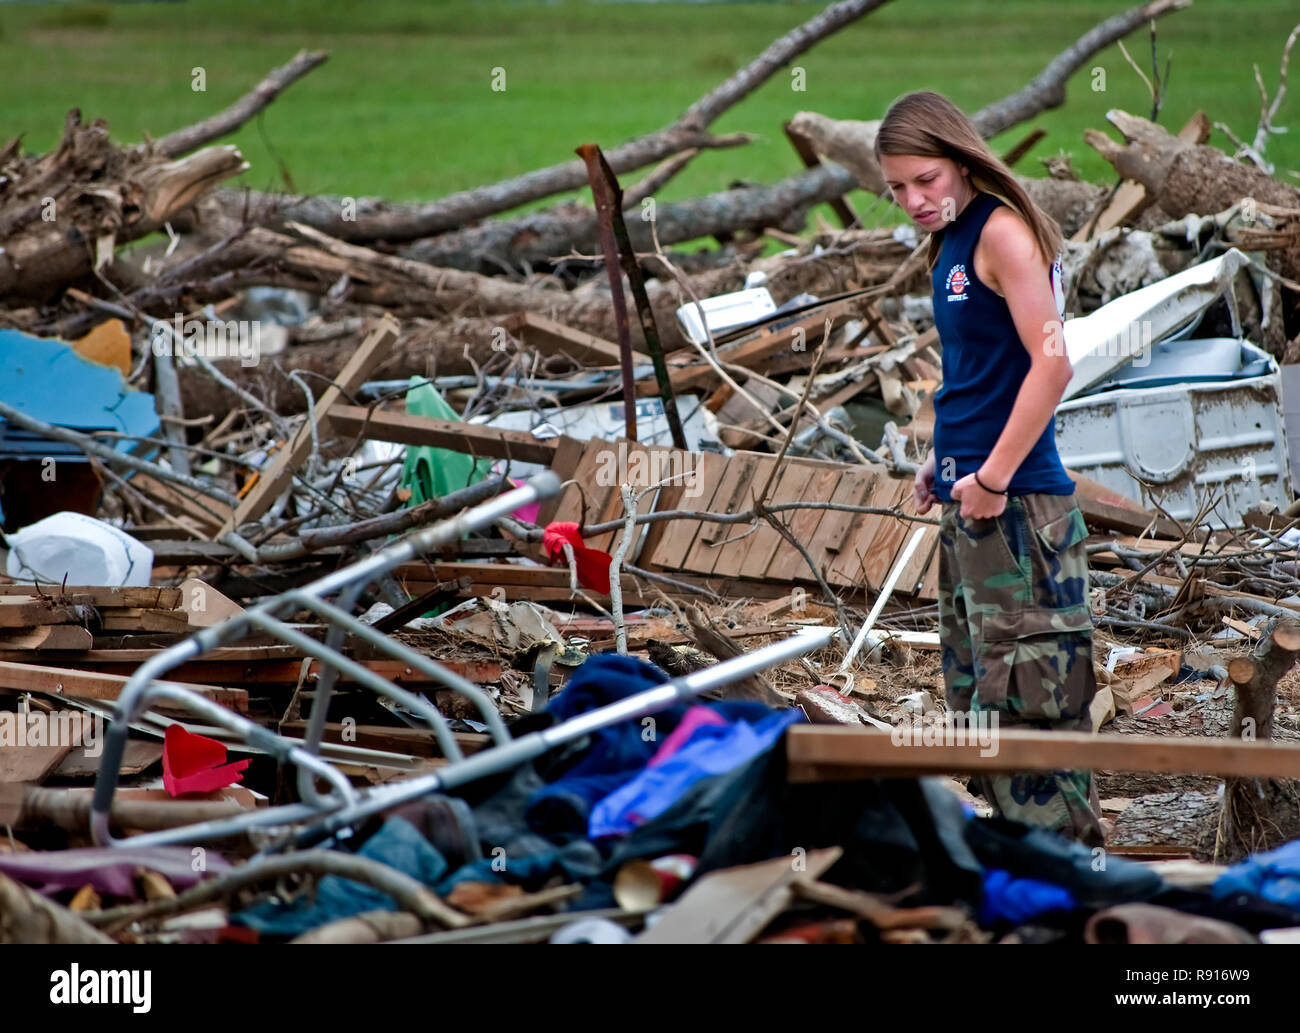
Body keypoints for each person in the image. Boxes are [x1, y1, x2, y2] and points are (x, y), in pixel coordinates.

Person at [875, 91, 1104, 847]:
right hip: (971, 505)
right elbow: (973, 369)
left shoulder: (1002, 232)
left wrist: (995, 476)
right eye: (898, 188)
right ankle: (1016, 879)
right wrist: (941, 459)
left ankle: (1072, 885)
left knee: (1036, 707)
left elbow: (1052, 361)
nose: (913, 200)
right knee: (979, 703)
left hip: (1020, 514)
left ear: (962, 159)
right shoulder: (948, 243)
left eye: (926, 179)